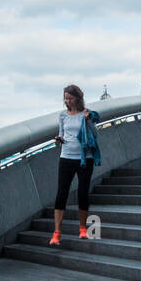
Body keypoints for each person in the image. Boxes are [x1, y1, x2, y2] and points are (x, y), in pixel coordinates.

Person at [48, 84, 101, 246]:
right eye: (65, 98)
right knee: (61, 192)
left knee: (83, 192)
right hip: (66, 156)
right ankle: (57, 232)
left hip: (85, 158)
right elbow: (62, 134)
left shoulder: (86, 114)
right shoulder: (62, 116)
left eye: (70, 98)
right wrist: (59, 139)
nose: (67, 101)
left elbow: (95, 133)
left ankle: (83, 228)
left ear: (78, 98)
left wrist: (88, 120)